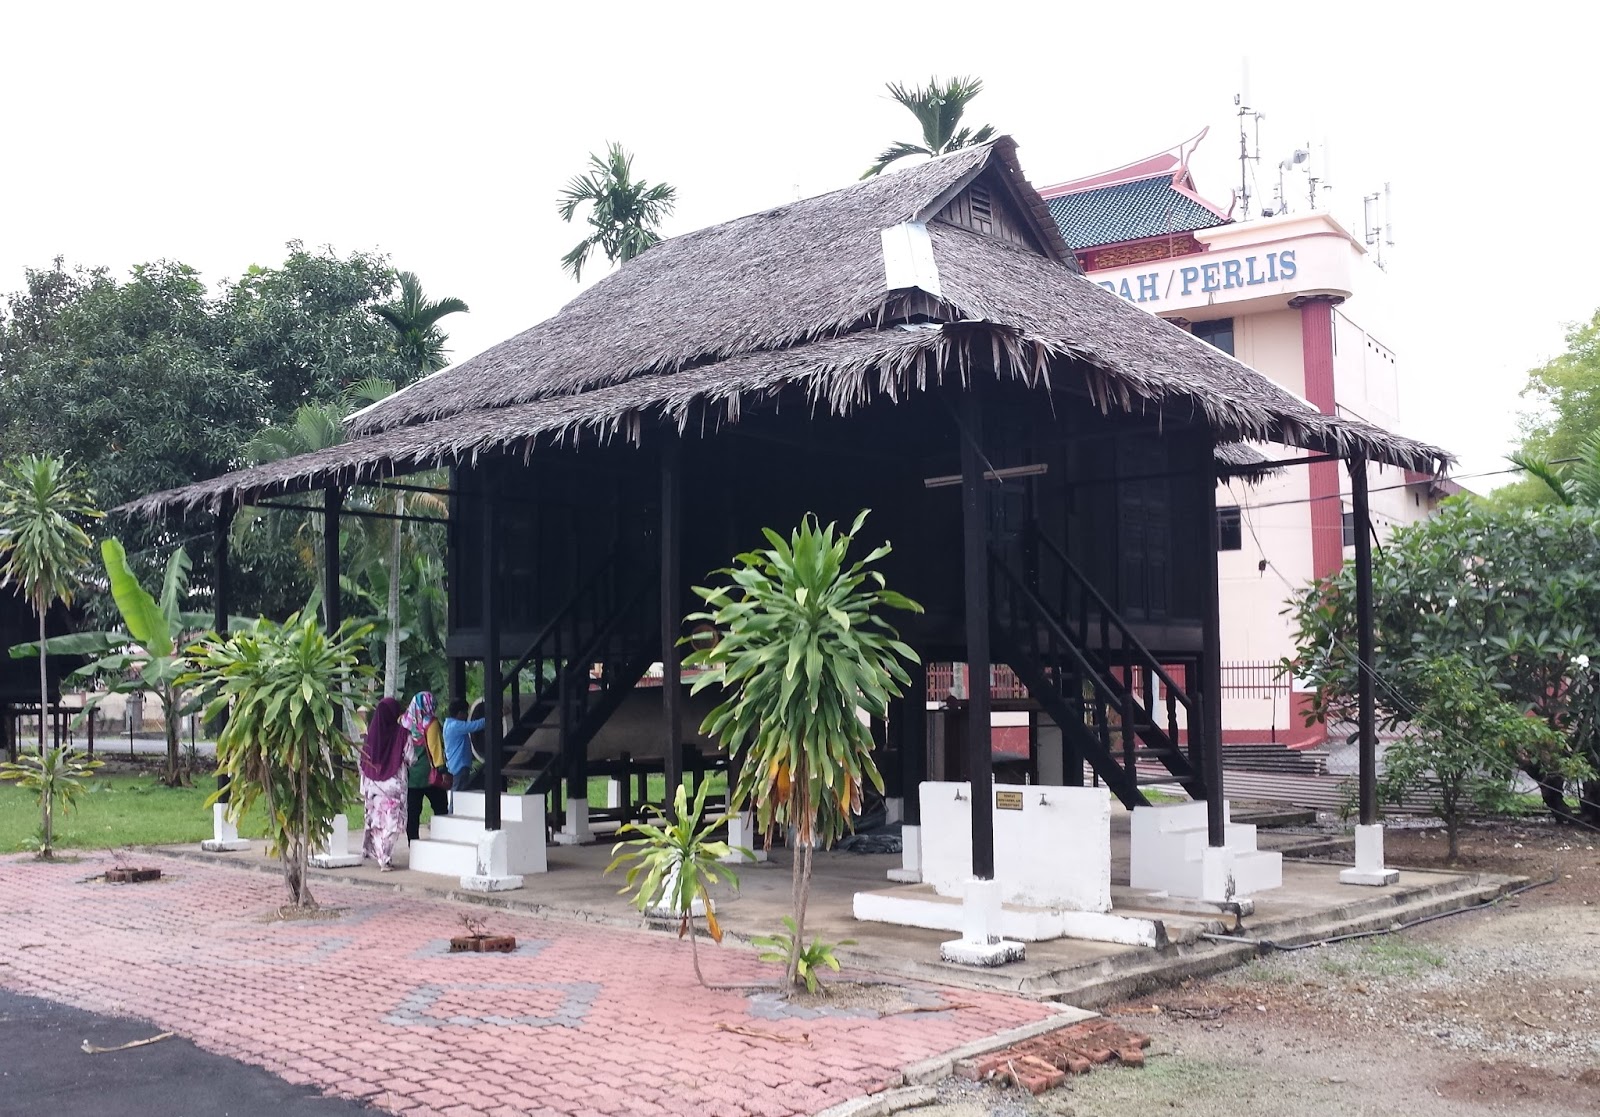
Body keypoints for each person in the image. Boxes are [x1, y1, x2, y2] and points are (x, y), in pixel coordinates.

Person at [359, 696, 408, 871]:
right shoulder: (402, 734)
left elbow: (362, 763)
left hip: (373, 787)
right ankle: (384, 858)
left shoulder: (369, 737)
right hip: (394, 788)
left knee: (377, 822)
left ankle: (381, 856)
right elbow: (410, 757)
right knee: (392, 824)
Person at [402, 691, 448, 842]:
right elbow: (435, 748)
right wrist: (442, 769)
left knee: (413, 811)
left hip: (410, 775)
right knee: (440, 807)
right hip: (429, 774)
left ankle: (413, 842)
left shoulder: (404, 721)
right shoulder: (430, 722)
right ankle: (442, 838)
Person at [443, 699, 486, 795]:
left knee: (458, 791)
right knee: (458, 793)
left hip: (454, 764)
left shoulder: (448, 724)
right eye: (465, 712)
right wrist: (492, 717)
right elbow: (475, 725)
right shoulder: (456, 726)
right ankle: (452, 806)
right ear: (460, 713)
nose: (467, 715)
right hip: (460, 765)